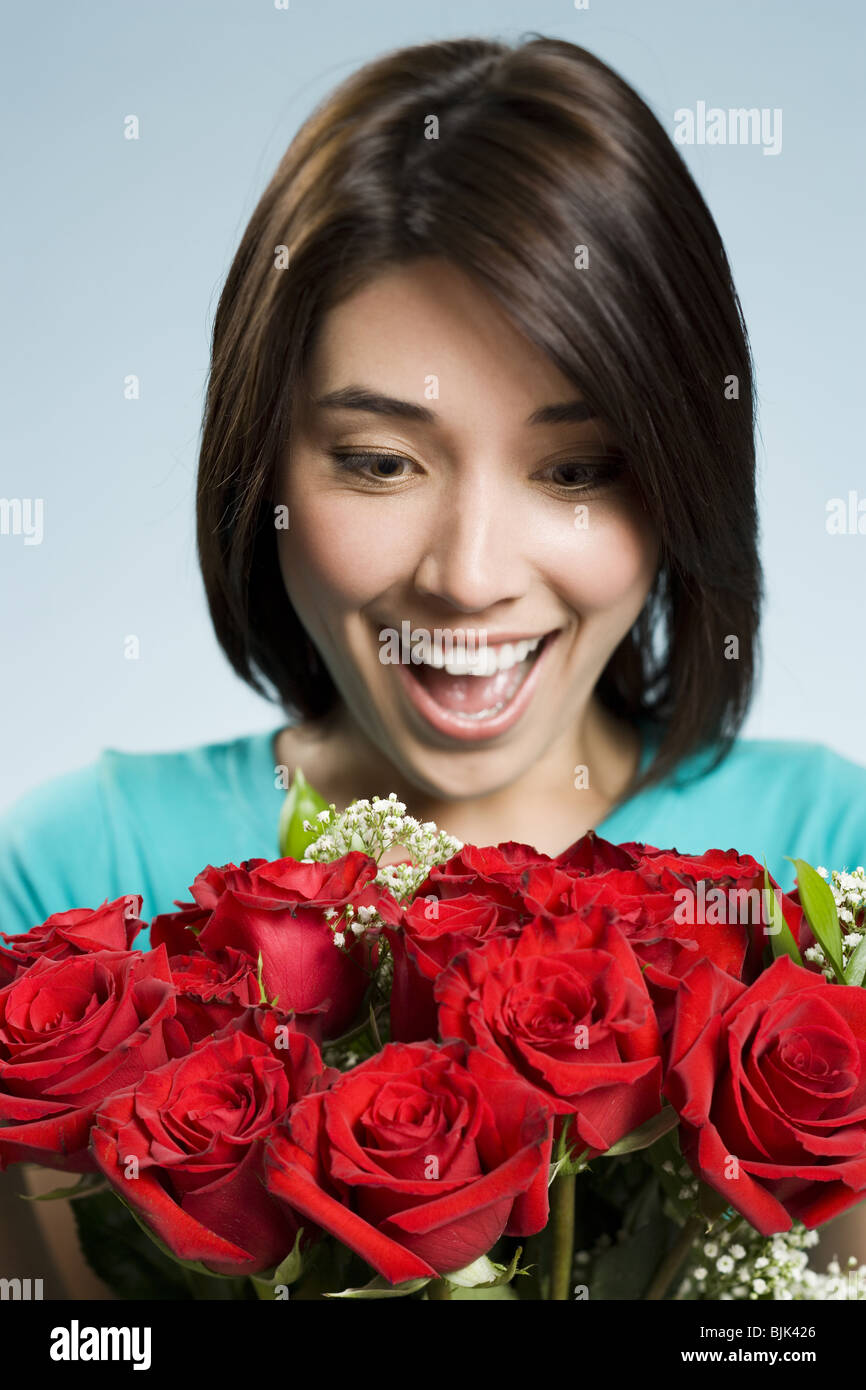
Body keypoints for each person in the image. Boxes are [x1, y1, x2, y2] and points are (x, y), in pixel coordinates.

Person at [2, 34, 865, 942]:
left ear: (684, 481)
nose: (468, 575)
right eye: (380, 464)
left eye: (573, 472)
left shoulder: (834, 859)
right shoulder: (72, 881)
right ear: (261, 464)